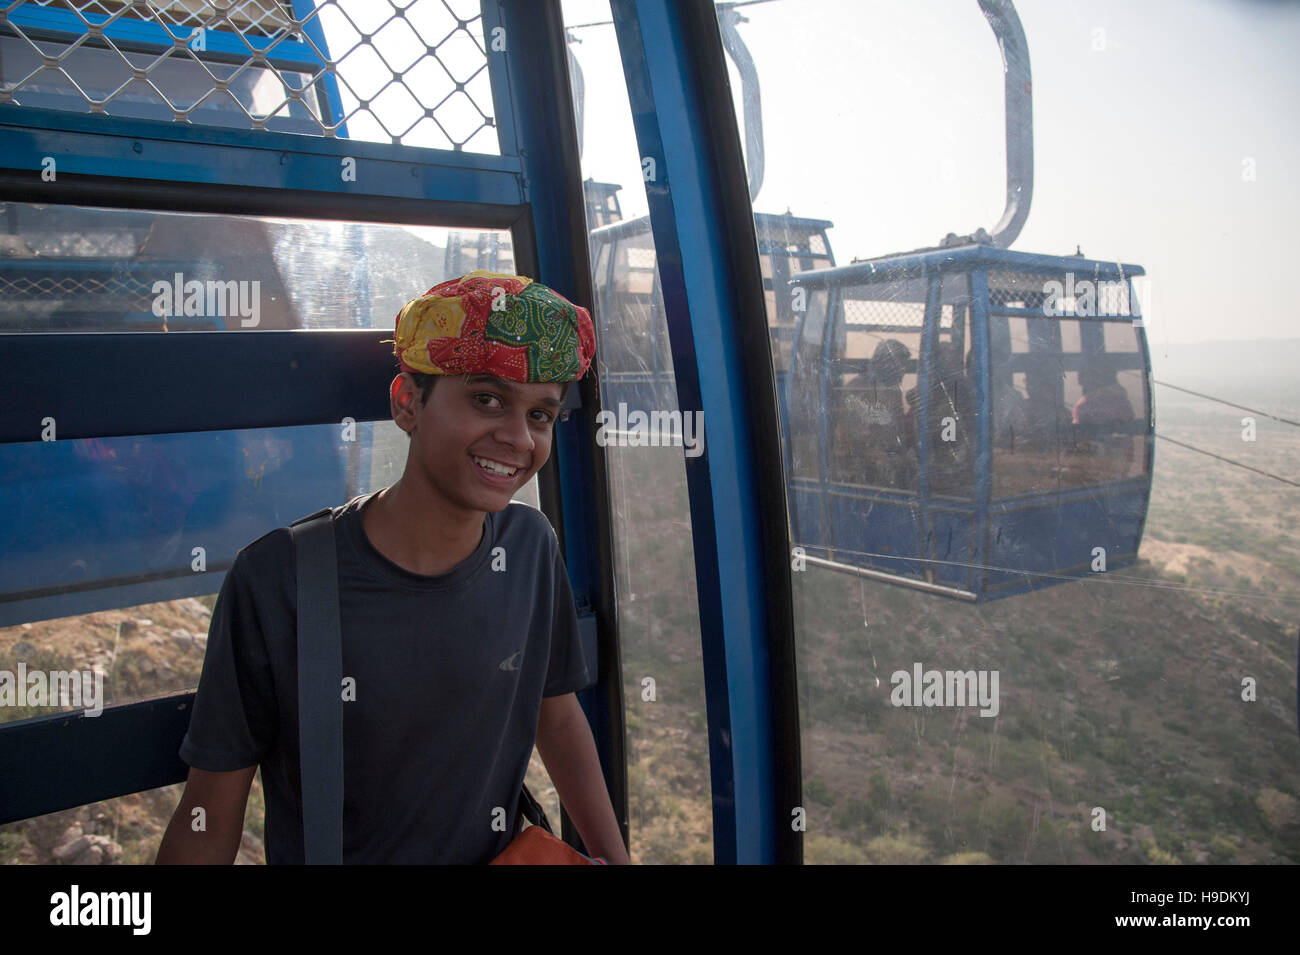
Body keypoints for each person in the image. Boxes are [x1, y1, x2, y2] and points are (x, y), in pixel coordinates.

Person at [155, 271, 628, 864]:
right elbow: (210, 812)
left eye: (541, 416)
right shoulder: (281, 579)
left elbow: (555, 718)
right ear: (408, 403)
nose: (517, 437)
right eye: (487, 399)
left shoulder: (530, 547)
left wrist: (616, 858)